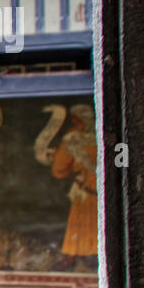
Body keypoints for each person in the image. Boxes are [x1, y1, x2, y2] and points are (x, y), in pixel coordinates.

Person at [50, 105, 97, 267]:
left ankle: (74, 257)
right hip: (106, 196)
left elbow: (59, 170)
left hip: (86, 196)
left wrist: (57, 154)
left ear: (77, 120)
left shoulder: (73, 139)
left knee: (79, 229)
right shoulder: (109, 135)